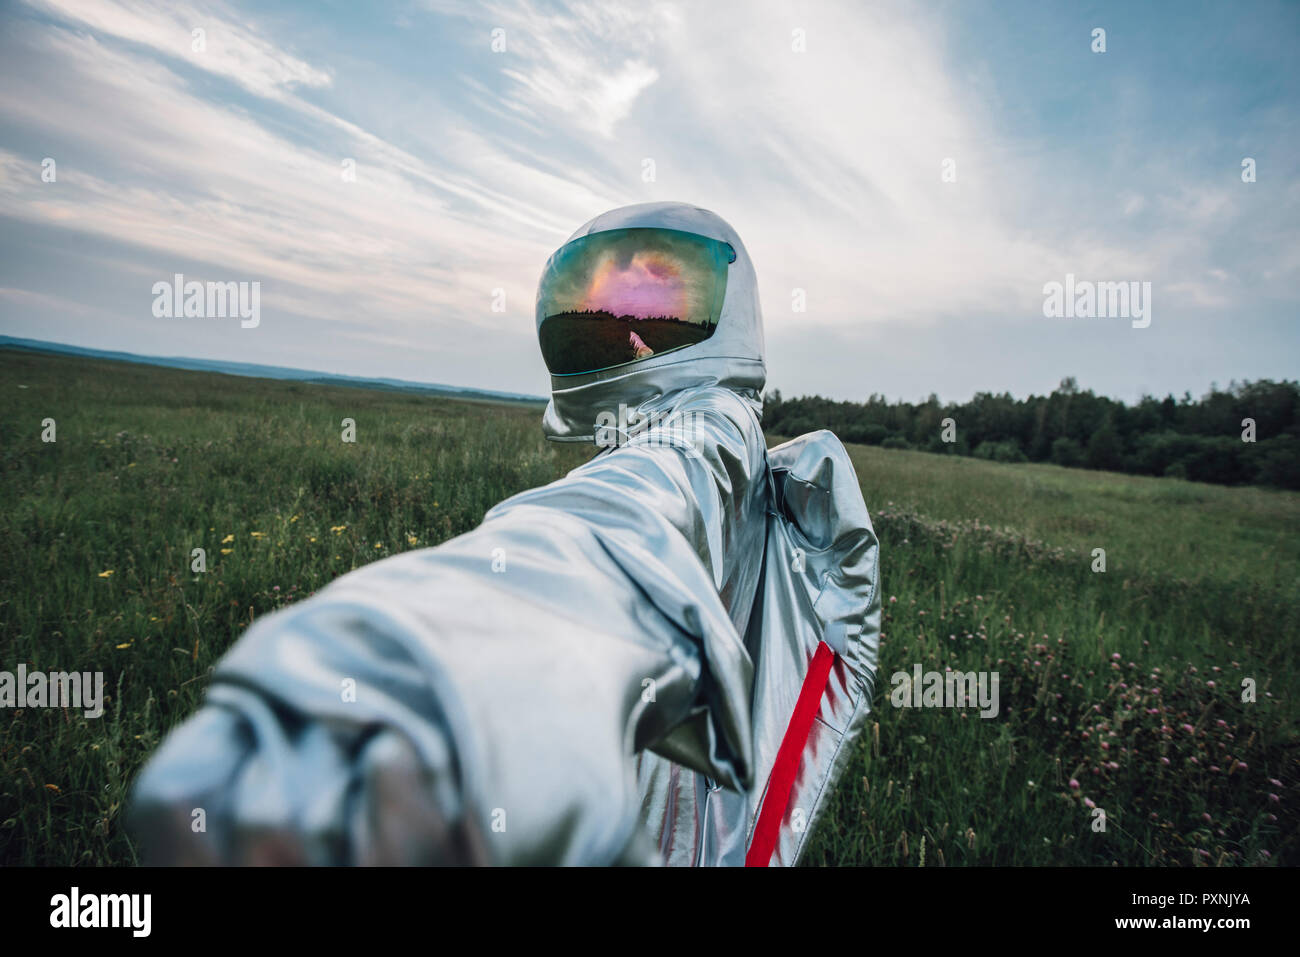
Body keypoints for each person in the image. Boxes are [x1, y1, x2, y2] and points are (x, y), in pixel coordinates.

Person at [128, 201, 882, 866]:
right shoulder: (692, 442)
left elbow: (627, 518)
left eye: (655, 307)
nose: (628, 337)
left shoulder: (710, 431)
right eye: (597, 307)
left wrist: (457, 666)